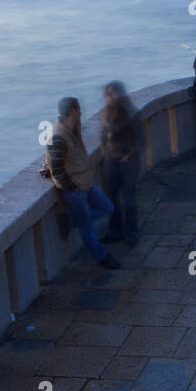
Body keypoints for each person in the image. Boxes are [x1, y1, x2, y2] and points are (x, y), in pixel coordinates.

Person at [45, 97, 121, 269]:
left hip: (84, 183)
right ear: (73, 111)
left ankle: (71, 221)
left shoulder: (73, 127)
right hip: (75, 189)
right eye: (78, 108)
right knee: (86, 229)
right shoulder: (58, 136)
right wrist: (71, 187)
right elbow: (55, 167)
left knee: (107, 207)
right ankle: (102, 257)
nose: (81, 111)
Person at [99, 81, 138, 244]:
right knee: (111, 197)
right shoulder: (106, 114)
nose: (110, 98)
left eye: (113, 94)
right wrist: (104, 152)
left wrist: (128, 155)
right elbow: (104, 135)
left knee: (129, 199)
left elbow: (140, 139)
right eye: (108, 94)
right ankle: (116, 230)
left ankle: (132, 232)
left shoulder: (131, 113)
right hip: (110, 160)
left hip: (128, 161)